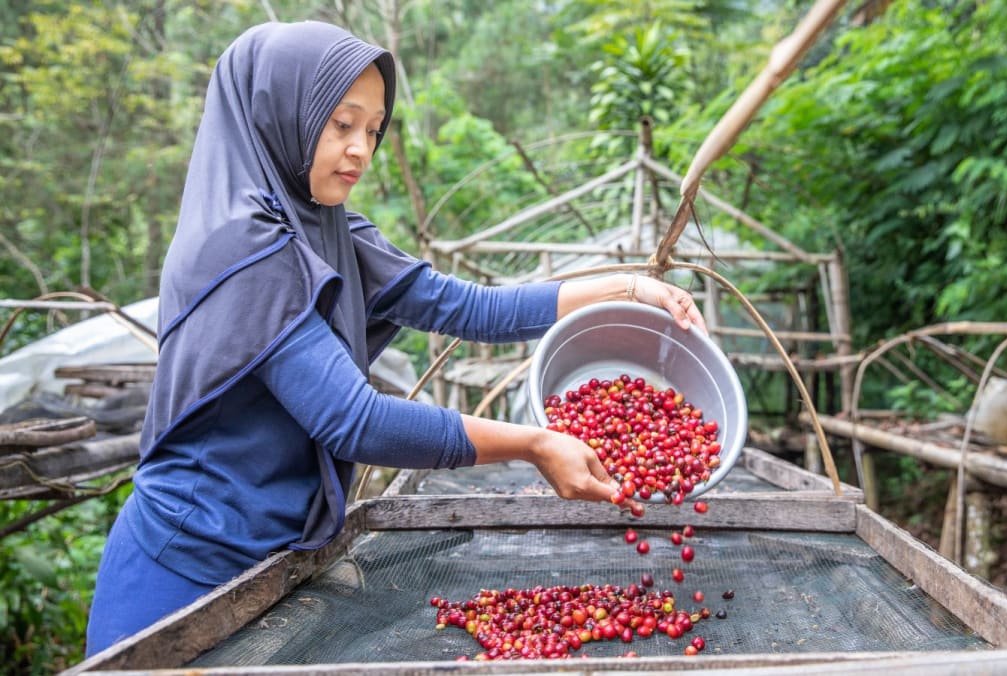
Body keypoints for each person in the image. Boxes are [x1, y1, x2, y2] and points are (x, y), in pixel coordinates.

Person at [84, 20, 705, 657]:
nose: (360, 149)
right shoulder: (242, 243)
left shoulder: (329, 233)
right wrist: (535, 444)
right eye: (341, 123)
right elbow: (354, 420)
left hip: (278, 564)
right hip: (185, 571)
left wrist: (628, 288)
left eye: (374, 130)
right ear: (279, 115)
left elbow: (472, 308)